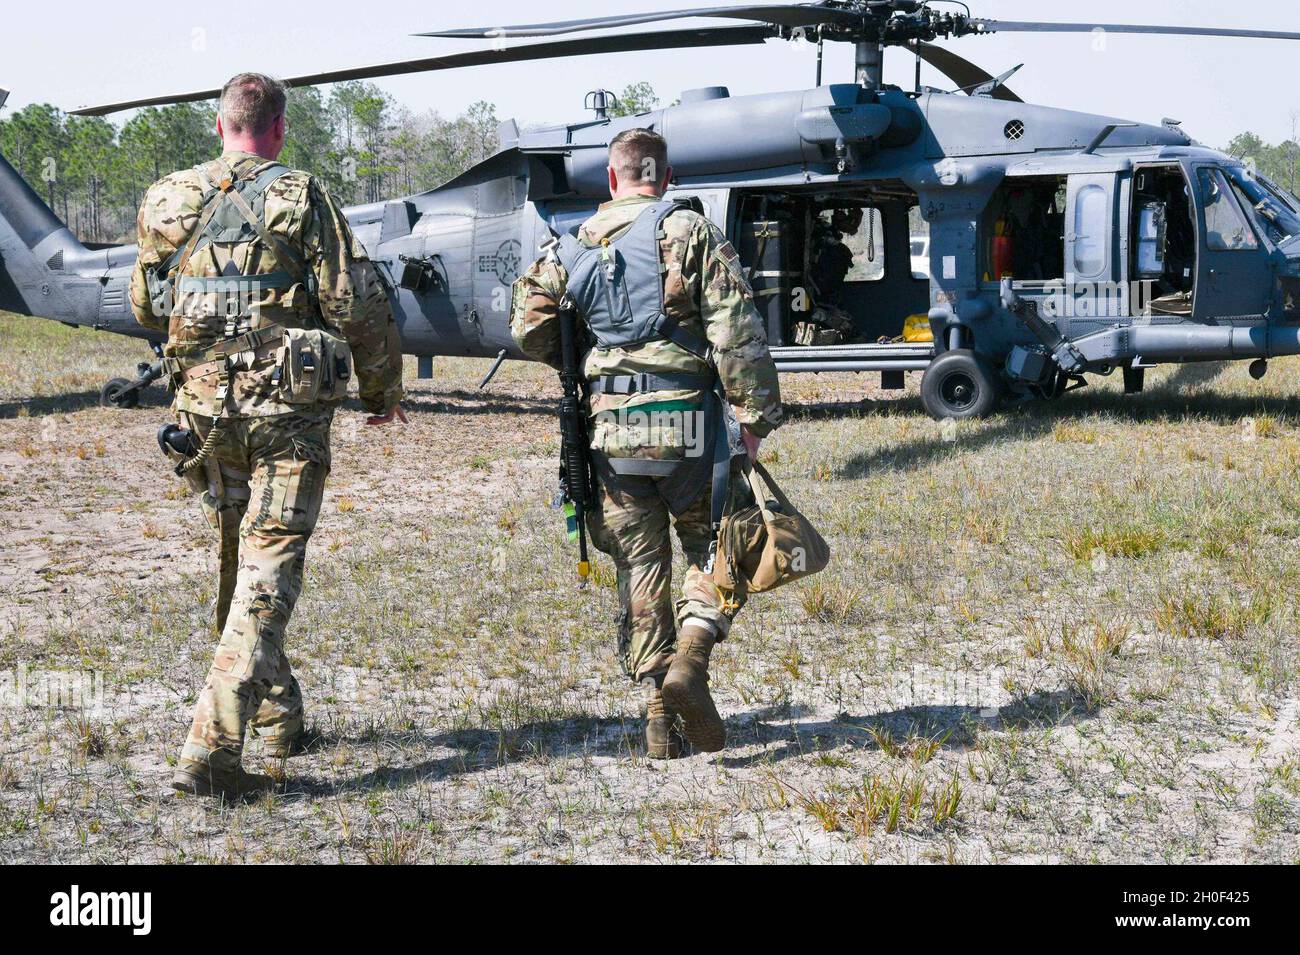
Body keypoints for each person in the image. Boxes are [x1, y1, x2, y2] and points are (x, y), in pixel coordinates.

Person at [129, 72, 405, 800]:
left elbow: (147, 306)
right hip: (286, 418)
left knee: (243, 561)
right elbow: (354, 298)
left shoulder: (166, 197)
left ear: (219, 126)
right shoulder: (301, 195)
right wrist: (382, 390)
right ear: (278, 129)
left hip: (203, 417)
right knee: (268, 572)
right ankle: (212, 751)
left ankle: (279, 716)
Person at [511, 128, 782, 757]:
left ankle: (659, 715)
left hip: (608, 433)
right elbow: (737, 328)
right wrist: (753, 417)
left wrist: (589, 358)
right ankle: (692, 657)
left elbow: (528, 328)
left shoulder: (571, 245)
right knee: (726, 543)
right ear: (665, 177)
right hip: (689, 425)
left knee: (640, 565)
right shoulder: (690, 232)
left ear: (612, 179)